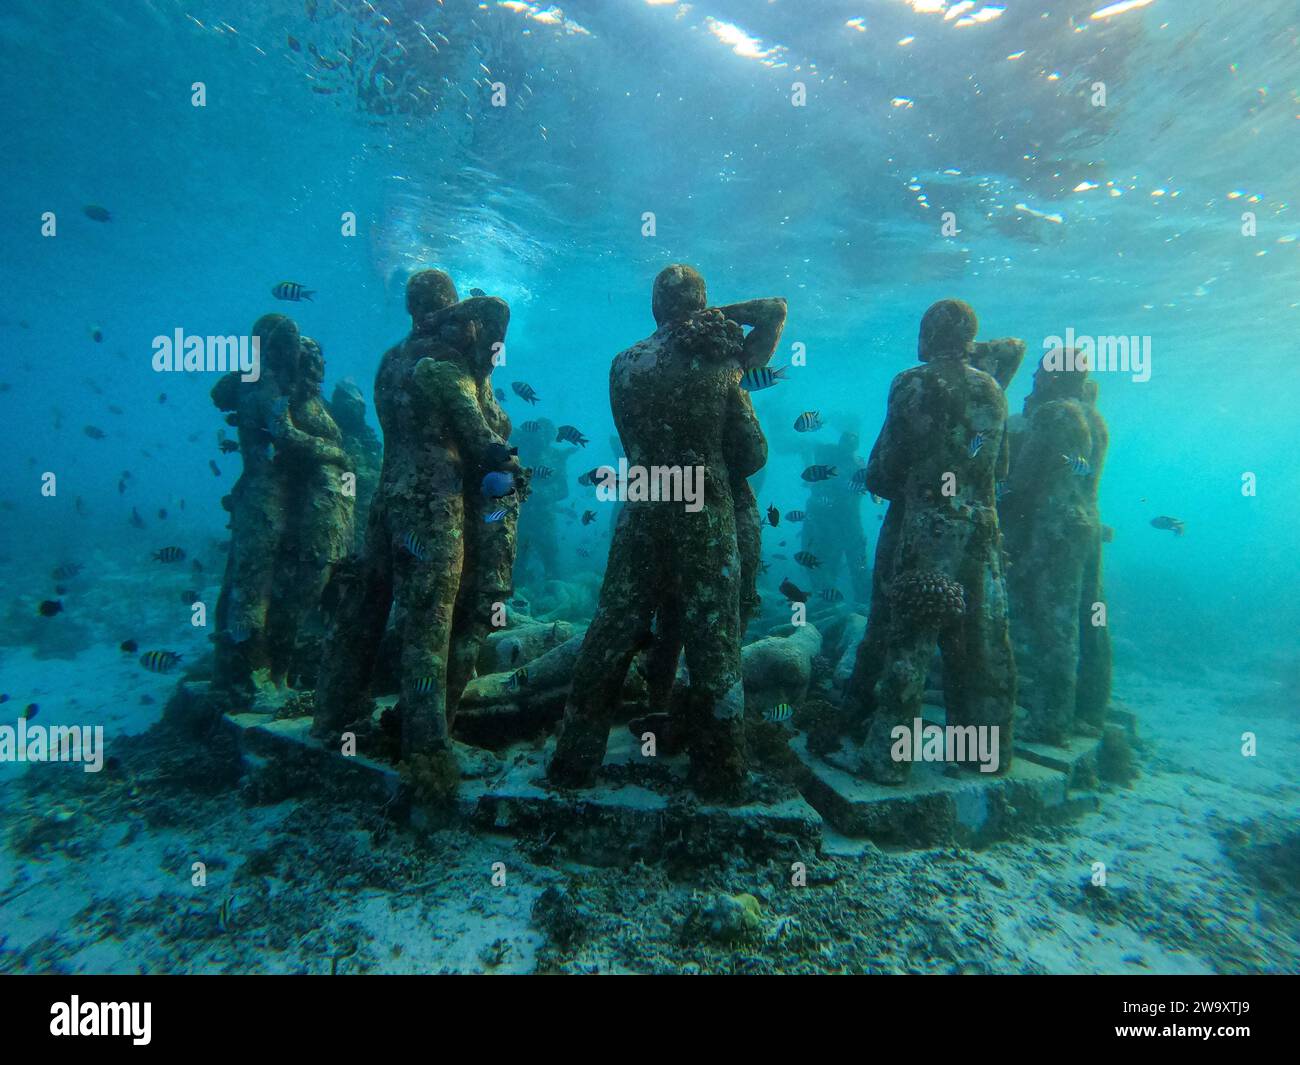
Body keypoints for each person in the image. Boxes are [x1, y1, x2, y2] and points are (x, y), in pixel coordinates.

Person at [548, 265, 769, 801]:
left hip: (643, 502)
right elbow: (753, 452)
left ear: (654, 307)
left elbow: (630, 442)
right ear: (700, 305)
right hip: (704, 505)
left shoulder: (623, 364)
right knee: (713, 634)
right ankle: (720, 774)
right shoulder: (716, 360)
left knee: (614, 625)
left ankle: (573, 760)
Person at [313, 272, 519, 773]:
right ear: (448, 310)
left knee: (368, 606)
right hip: (434, 503)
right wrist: (506, 468)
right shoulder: (446, 366)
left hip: (387, 498)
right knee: (430, 619)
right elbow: (480, 439)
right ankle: (425, 748)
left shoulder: (390, 360)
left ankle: (334, 717)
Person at [846, 299, 1016, 783]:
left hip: (924, 526)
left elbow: (884, 471)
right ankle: (987, 753)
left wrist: (899, 481)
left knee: (909, 638)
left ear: (927, 335)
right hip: (982, 526)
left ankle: (887, 758)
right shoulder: (993, 392)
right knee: (983, 639)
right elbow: (998, 469)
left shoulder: (913, 383)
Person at [1000, 352, 1110, 743]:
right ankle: (1091, 710)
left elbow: (1024, 480)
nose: (1033, 375)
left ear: (1051, 377)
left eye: (1040, 369)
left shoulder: (1053, 416)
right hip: (1089, 526)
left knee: (1054, 625)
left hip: (1055, 528)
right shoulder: (1094, 417)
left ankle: (1052, 721)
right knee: (1090, 620)